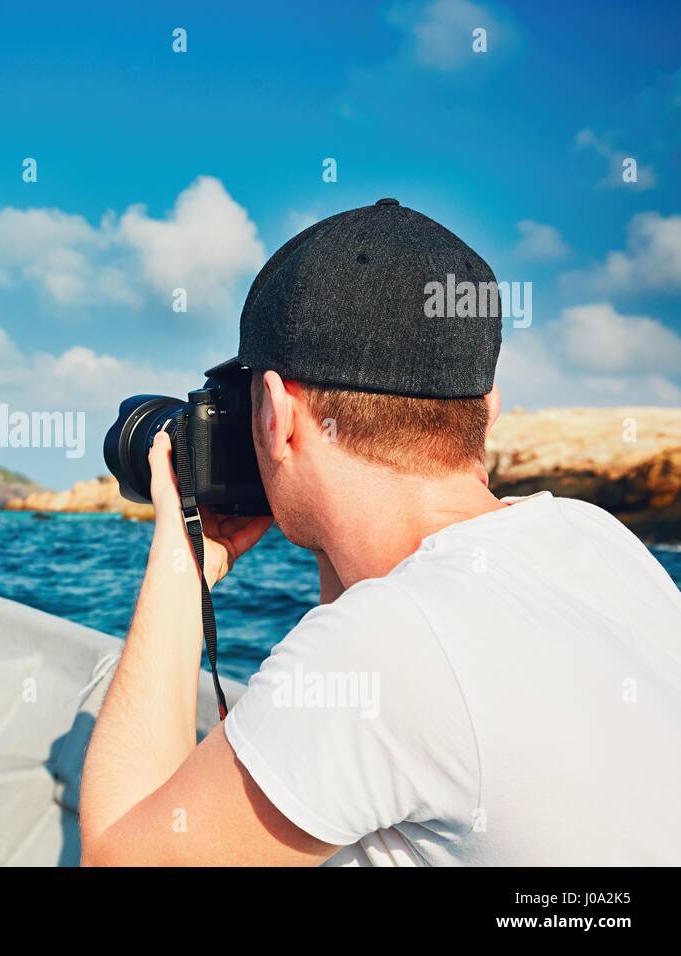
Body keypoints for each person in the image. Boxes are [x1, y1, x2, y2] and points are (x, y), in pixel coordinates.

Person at [78, 199, 681, 866]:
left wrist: (180, 561)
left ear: (276, 415)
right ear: (489, 409)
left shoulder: (386, 645)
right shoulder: (595, 538)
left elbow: (117, 858)